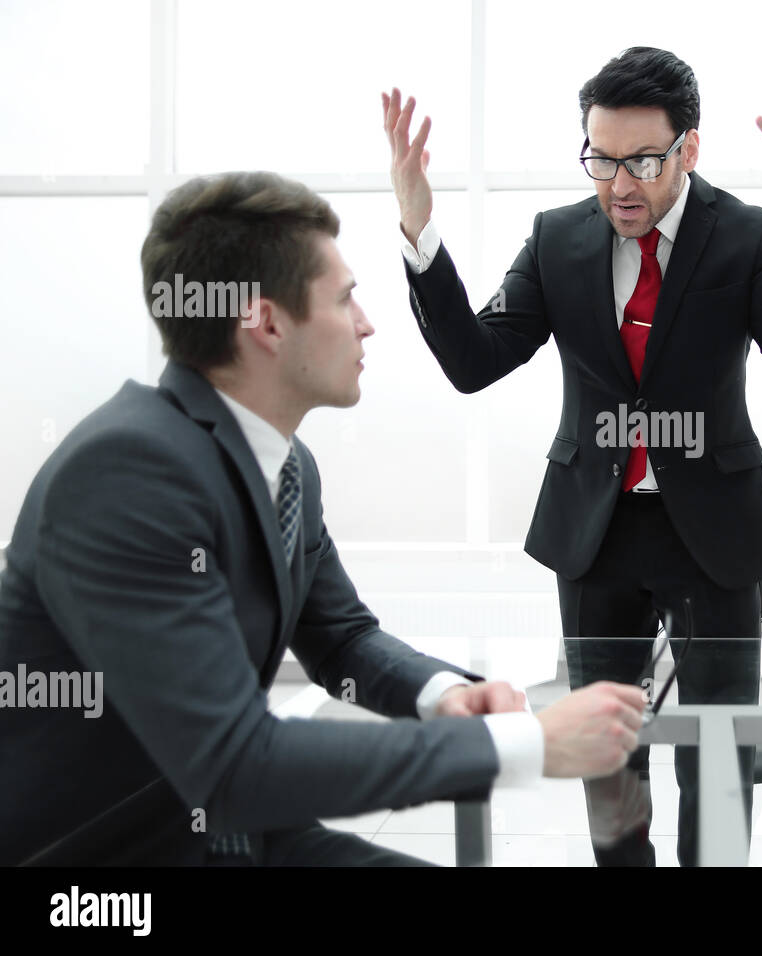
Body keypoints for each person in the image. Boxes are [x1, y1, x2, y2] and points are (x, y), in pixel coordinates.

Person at [0, 170, 646, 867]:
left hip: (229, 834)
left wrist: (443, 696)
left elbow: (340, 638)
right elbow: (235, 766)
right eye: (344, 299)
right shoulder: (128, 472)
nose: (366, 323)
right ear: (268, 322)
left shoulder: (285, 464)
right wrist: (529, 744)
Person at [383, 46, 762, 865]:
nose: (619, 184)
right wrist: (420, 233)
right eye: (601, 159)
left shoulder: (747, 237)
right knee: (606, 753)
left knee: (718, 751)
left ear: (689, 150)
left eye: (641, 160)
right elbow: (473, 362)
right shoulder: (559, 239)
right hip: (594, 531)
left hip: (712, 530)